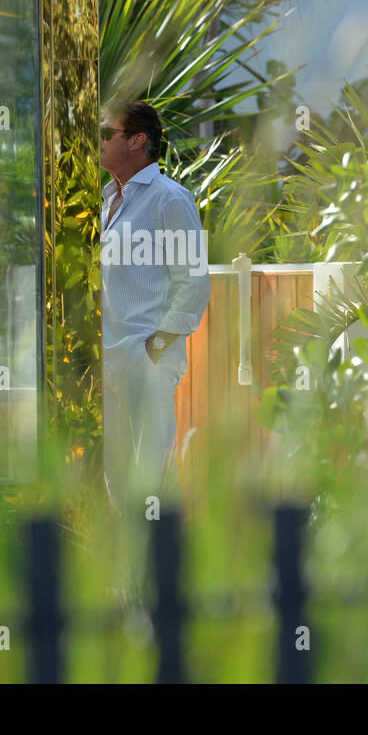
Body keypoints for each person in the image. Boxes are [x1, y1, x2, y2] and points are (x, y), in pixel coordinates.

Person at [100, 101, 211, 508]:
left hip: (144, 359)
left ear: (136, 140)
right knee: (115, 482)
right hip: (107, 359)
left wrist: (154, 350)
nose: (96, 141)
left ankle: (160, 567)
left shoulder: (170, 200)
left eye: (106, 133)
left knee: (151, 482)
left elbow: (194, 284)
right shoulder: (106, 199)